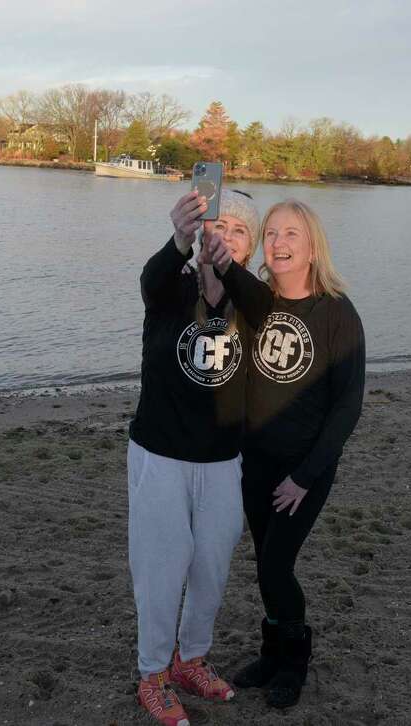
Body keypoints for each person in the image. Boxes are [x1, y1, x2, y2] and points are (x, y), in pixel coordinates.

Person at [202, 198, 366, 709]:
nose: (277, 242)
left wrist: (306, 475)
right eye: (271, 233)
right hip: (252, 464)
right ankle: (272, 651)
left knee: (276, 566)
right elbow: (215, 276)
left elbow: (347, 408)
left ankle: (294, 660)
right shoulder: (259, 300)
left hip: (304, 471)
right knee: (263, 563)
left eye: (291, 233)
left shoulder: (338, 312)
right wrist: (207, 235)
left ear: (313, 245)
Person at [128, 188, 262, 726]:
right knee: (161, 566)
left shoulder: (252, 300)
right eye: (216, 224)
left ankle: (191, 660)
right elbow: (149, 281)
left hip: (222, 460)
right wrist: (180, 240)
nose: (224, 236)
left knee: (211, 565)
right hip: (160, 451)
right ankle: (153, 675)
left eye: (238, 230)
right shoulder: (171, 288)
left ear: (248, 248)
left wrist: (229, 278)